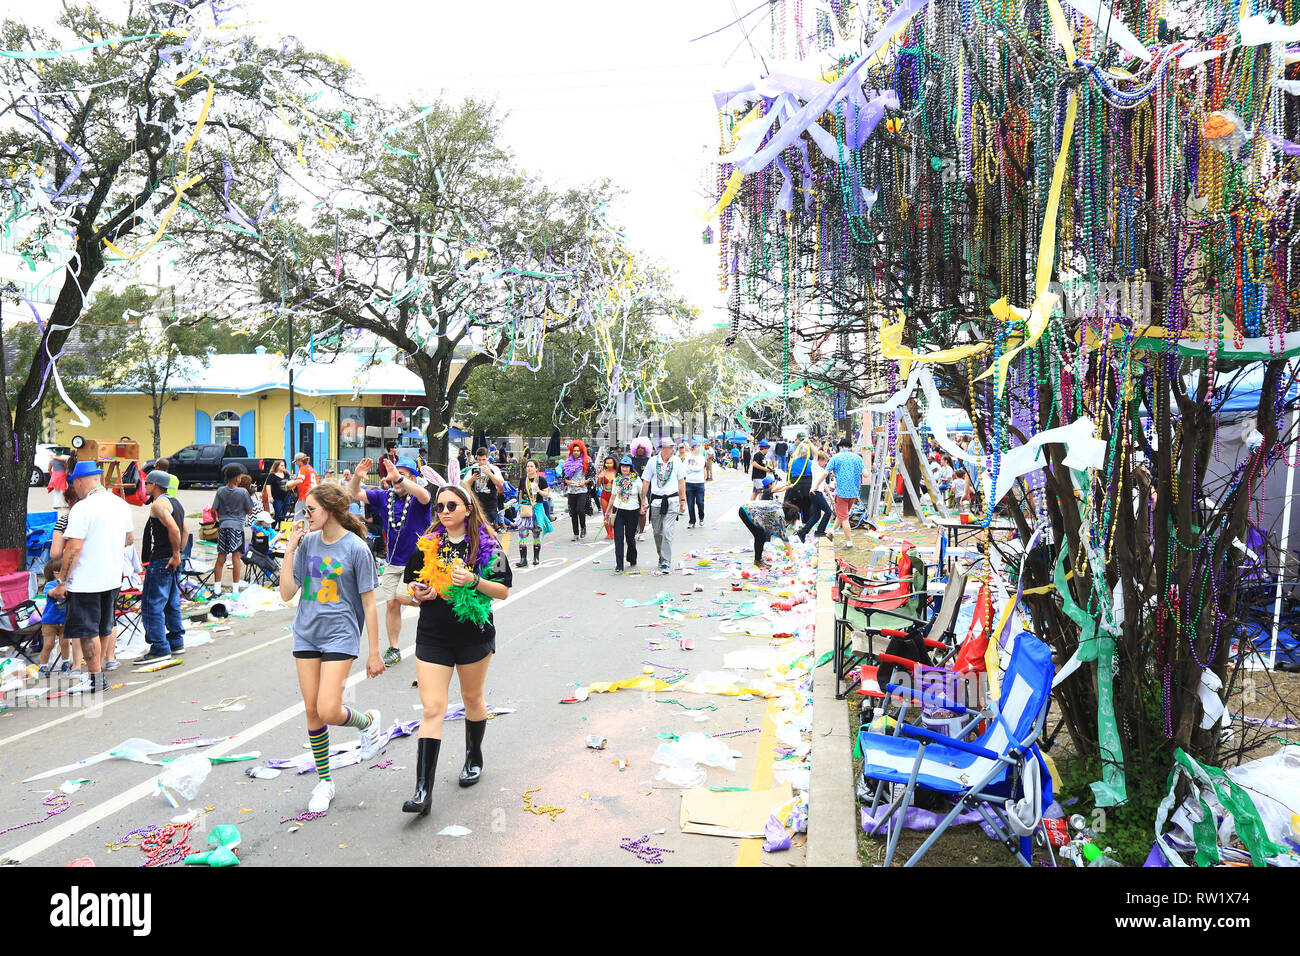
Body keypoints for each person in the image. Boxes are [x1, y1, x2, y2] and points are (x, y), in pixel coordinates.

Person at [397, 484, 512, 816]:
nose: (444, 512)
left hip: (473, 636)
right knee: (433, 708)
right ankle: (422, 791)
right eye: (440, 507)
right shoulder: (427, 545)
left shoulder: (487, 546)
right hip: (432, 635)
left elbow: (503, 591)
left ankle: (473, 756)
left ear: (468, 509)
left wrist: (474, 581)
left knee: (472, 699)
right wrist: (418, 592)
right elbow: (410, 584)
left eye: (451, 505)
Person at [280, 483, 384, 814]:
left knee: (328, 709)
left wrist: (374, 651)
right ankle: (325, 780)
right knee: (312, 711)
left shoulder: (356, 549)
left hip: (341, 636)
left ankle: (366, 722)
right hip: (306, 634)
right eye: (304, 510)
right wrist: (289, 550)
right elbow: (286, 593)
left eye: (310, 510)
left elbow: (369, 604)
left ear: (330, 510)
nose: (305, 516)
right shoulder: (307, 543)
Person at [49, 461, 133, 694]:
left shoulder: (82, 508)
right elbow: (129, 539)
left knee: (87, 632)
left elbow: (73, 548)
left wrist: (62, 582)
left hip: (86, 580)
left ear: (79, 481)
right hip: (112, 576)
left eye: (74, 484)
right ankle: (97, 675)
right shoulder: (120, 504)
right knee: (103, 627)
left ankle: (96, 678)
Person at [347, 455, 432, 668]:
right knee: (392, 603)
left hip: (417, 563)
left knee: (404, 598)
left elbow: (424, 496)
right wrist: (357, 477)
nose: (395, 480)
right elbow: (354, 493)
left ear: (412, 477)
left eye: (401, 475)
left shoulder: (418, 498)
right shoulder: (385, 496)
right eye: (393, 476)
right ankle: (394, 648)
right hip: (393, 561)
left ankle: (436, 613)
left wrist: (401, 480)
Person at [136, 470, 188, 666]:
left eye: (147, 483)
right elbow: (185, 530)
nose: (145, 486)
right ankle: (176, 641)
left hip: (161, 560)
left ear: (155, 485)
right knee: (171, 602)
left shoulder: (158, 504)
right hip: (172, 560)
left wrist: (174, 554)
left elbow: (175, 529)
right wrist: (179, 554)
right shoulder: (176, 502)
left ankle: (159, 647)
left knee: (152, 605)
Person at [641, 437, 687, 575]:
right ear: (663, 448)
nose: (673, 450)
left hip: (672, 500)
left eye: (673, 447)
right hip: (656, 502)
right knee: (657, 532)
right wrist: (643, 499)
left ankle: (666, 561)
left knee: (667, 531)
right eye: (670, 447)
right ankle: (661, 556)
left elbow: (681, 482)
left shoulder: (677, 461)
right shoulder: (652, 462)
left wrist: (683, 500)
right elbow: (646, 482)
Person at [211, 464, 257, 596]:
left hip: (223, 526)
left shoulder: (220, 491)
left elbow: (213, 510)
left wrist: (217, 521)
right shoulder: (242, 492)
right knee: (236, 558)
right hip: (237, 527)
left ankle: (217, 589)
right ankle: (235, 589)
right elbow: (249, 510)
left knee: (221, 557)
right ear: (237, 477)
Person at [818, 438, 868, 548]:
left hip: (841, 493)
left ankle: (849, 543)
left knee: (844, 518)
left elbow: (825, 472)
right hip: (854, 493)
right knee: (843, 514)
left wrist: (817, 485)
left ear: (840, 447)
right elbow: (866, 474)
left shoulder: (835, 458)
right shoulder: (857, 458)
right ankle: (831, 531)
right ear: (850, 447)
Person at [738, 498, 801, 568]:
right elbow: (783, 536)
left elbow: (797, 514)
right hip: (747, 512)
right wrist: (791, 554)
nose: (789, 523)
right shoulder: (780, 515)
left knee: (761, 535)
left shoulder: (782, 507)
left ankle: (758, 560)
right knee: (760, 536)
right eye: (791, 521)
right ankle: (758, 561)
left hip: (748, 510)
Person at [610, 456, 644, 573]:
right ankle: (619, 564)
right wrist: (608, 511)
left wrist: (643, 505)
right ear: (620, 468)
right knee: (618, 538)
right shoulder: (616, 479)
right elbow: (613, 496)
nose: (625, 468)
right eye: (623, 466)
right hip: (618, 510)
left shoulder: (636, 480)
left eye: (627, 466)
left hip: (632, 510)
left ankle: (632, 557)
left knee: (630, 538)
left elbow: (642, 495)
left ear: (630, 468)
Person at [514, 459, 550, 567]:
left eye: (531, 466)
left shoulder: (541, 480)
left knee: (536, 533)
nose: (529, 468)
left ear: (536, 468)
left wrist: (538, 490)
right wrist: (519, 505)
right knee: (522, 533)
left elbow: (546, 495)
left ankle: (536, 557)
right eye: (527, 466)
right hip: (525, 508)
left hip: (537, 508)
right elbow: (520, 493)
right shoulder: (522, 480)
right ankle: (523, 559)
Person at [36, 560, 69, 677]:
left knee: (65, 642)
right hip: (49, 621)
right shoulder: (50, 584)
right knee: (48, 644)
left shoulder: (68, 583)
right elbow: (52, 593)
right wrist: (62, 587)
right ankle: (43, 666)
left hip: (64, 619)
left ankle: (66, 663)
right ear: (56, 572)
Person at [796, 450, 835, 542]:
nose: (826, 463)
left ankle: (803, 532)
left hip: (817, 492)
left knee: (817, 515)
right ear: (820, 460)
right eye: (825, 461)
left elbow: (824, 484)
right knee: (828, 512)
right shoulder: (815, 466)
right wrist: (808, 441)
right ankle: (820, 531)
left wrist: (830, 495)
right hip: (815, 492)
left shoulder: (822, 470)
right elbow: (816, 452)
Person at [462, 447, 505, 526]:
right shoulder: (473, 469)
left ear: (488, 458)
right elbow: (464, 486)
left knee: (487, 522)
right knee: (477, 524)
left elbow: (500, 484)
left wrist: (490, 474)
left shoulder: (494, 469)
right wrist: (472, 479)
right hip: (476, 502)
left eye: (483, 460)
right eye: (479, 460)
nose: (481, 462)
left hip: (490, 502)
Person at [561, 440, 591, 541]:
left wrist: (585, 482)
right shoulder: (567, 463)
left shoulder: (586, 462)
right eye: (574, 451)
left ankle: (583, 527)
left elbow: (592, 476)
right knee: (573, 513)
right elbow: (564, 476)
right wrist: (567, 481)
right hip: (571, 491)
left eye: (578, 451)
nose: (576, 452)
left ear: (581, 451)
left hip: (582, 490)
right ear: (571, 451)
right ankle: (575, 534)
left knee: (580, 510)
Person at [285, 452, 319, 521]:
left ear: (300, 461)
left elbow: (300, 480)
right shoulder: (311, 469)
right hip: (314, 494)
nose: (296, 464)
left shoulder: (302, 468)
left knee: (298, 515)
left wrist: (288, 485)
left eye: (296, 462)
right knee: (311, 513)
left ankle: (298, 529)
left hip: (305, 494)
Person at [683, 438, 707, 529]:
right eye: (697, 447)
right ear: (693, 448)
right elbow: (684, 469)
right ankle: (692, 521)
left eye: (698, 447)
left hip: (700, 483)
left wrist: (690, 468)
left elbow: (699, 468)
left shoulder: (701, 457)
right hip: (689, 483)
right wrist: (691, 468)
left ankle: (701, 517)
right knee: (690, 503)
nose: (698, 448)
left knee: (700, 502)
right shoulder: (687, 457)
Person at [263, 460, 290, 525]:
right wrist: (270, 496)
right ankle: (280, 529)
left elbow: (290, 483)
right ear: (277, 466)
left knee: (284, 514)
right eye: (281, 465)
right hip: (277, 497)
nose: (283, 467)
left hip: (286, 496)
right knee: (279, 513)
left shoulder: (286, 474)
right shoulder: (272, 475)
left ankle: (275, 526)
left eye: (284, 465)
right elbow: (268, 486)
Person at [596, 455, 617, 539]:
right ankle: (608, 532)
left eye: (610, 463)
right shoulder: (602, 472)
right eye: (607, 463)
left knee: (612, 514)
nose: (608, 465)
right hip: (604, 494)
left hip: (614, 495)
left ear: (613, 463)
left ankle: (613, 531)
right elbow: (598, 485)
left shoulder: (617, 472)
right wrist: (599, 478)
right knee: (606, 514)